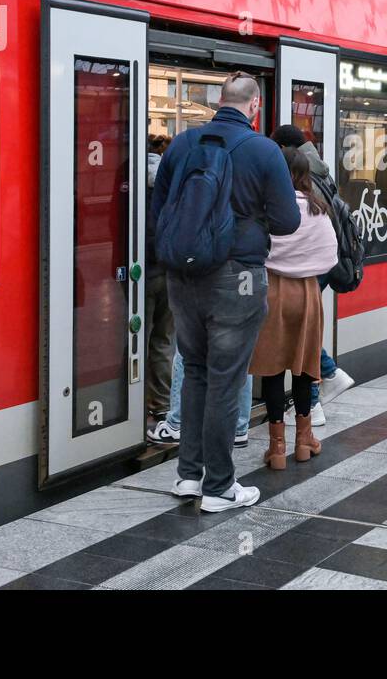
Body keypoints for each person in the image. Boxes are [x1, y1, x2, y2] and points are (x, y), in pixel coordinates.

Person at [151, 72, 300, 512]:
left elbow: (160, 209)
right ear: (254, 106)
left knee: (195, 370)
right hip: (237, 277)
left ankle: (188, 476)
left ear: (219, 102)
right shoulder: (263, 149)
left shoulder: (181, 144)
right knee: (225, 379)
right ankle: (219, 487)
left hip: (183, 278)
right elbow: (289, 221)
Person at [250, 146, 339, 469]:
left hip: (271, 291)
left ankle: (276, 448)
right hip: (307, 293)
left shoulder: (266, 209)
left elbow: (254, 248)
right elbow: (331, 256)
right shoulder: (318, 209)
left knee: (272, 369)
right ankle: (304, 440)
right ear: (305, 175)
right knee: (304, 367)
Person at [269, 124, 356, 422]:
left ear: (283, 150)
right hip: (315, 264)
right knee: (302, 328)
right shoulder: (320, 170)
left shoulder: (303, 177)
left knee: (298, 330)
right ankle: (326, 380)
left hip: (303, 267)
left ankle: (315, 400)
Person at [143, 134, 174, 434]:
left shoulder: (128, 171)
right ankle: (162, 405)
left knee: (135, 338)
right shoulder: (174, 176)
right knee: (164, 340)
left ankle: (132, 404)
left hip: (140, 269)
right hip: (169, 270)